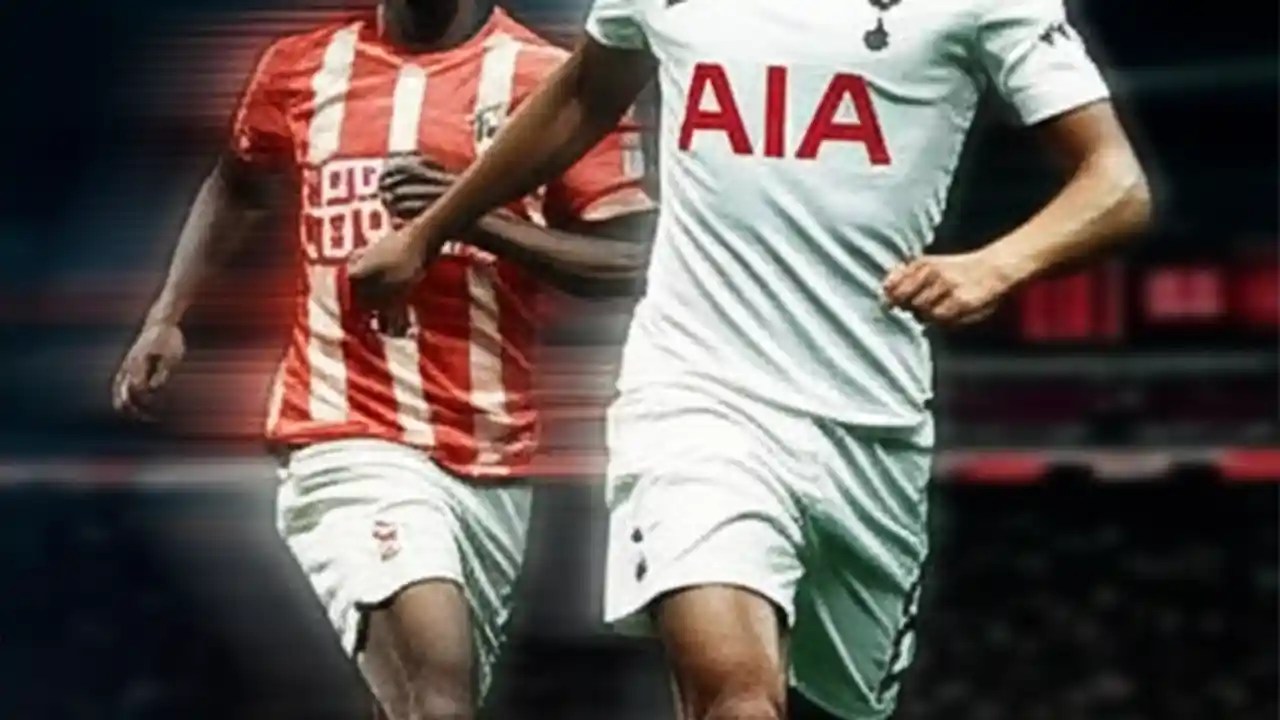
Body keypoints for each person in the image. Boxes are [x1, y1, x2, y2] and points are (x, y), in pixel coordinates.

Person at [347, 0, 1152, 717]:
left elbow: (1115, 181)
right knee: (734, 694)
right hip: (694, 392)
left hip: (869, 427)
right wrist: (432, 228)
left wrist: (997, 264)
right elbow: (587, 91)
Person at [111, 1, 655, 718]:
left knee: (413, 702)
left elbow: (631, 263)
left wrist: (465, 219)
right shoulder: (299, 67)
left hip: (491, 456)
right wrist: (168, 316)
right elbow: (239, 181)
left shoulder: (550, 82)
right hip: (344, 432)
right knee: (440, 696)